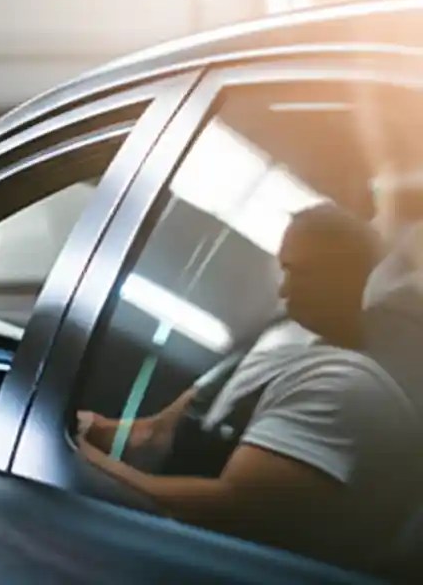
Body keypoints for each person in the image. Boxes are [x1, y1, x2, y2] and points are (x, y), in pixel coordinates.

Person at [76, 204, 419, 569]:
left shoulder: (345, 385)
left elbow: (229, 509)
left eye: (302, 274)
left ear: (348, 278)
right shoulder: (281, 334)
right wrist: (88, 427)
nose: (285, 290)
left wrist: (83, 460)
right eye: (285, 268)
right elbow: (158, 433)